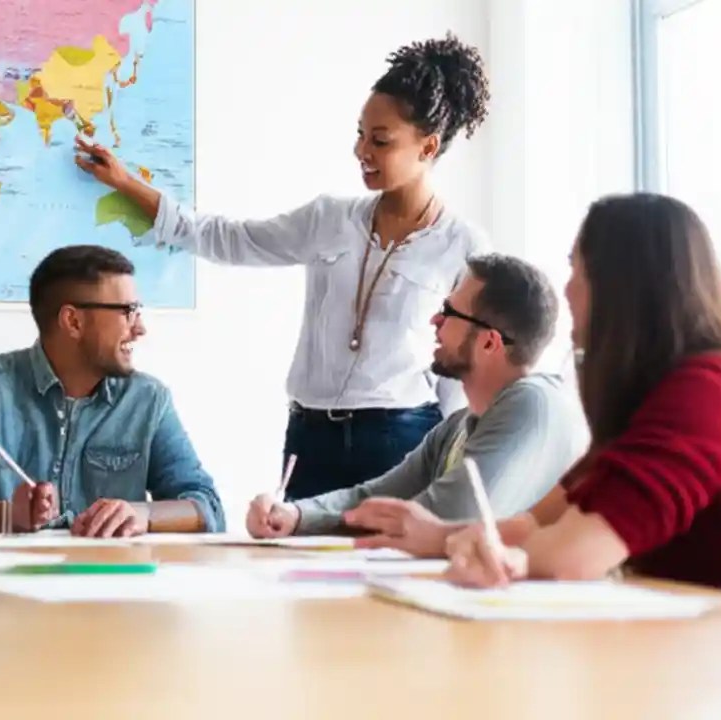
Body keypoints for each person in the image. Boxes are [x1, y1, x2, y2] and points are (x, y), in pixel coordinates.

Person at [75, 34, 491, 500]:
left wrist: (455, 474)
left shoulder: (465, 246)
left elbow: (461, 371)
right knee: (297, 569)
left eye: (380, 140)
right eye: (359, 134)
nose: (361, 151)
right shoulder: (328, 219)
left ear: (428, 147)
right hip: (310, 439)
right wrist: (127, 184)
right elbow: (230, 239)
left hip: (402, 439)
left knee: (388, 571)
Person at [442, 193, 721, 611]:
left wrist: (499, 558)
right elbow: (536, 524)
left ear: (619, 285)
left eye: (576, 268)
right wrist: (438, 537)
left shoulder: (711, 394)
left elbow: (567, 558)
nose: (567, 289)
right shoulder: (668, 396)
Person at [245, 254, 586, 556]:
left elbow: (450, 515)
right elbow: (375, 495)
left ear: (488, 342)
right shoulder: (457, 426)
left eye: (449, 312)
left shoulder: (536, 403)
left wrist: (354, 521)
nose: (434, 322)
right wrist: (294, 515)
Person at [0, 245, 225, 537]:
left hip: (115, 586)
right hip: (4, 587)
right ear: (72, 321)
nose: (139, 328)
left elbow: (207, 507)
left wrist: (144, 514)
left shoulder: (148, 399)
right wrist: (9, 516)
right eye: (127, 312)